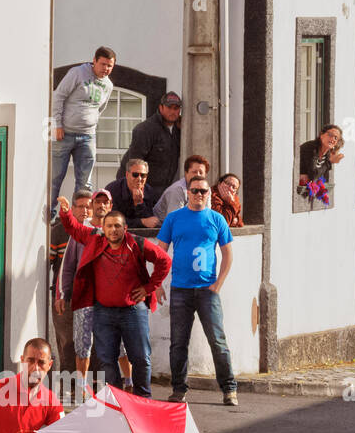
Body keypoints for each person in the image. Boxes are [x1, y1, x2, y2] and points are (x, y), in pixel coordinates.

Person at [56, 195, 171, 400]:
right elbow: (74, 228)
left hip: (133, 311)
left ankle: (143, 398)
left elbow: (164, 261)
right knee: (107, 359)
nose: (113, 230)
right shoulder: (95, 239)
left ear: (125, 228)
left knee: (141, 358)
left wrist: (148, 288)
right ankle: (117, 399)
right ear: (103, 228)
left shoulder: (137, 243)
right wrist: (65, 212)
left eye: (117, 226)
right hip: (104, 312)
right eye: (109, 226)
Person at [155, 174, 237, 406]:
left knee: (218, 341)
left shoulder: (216, 219)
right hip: (180, 289)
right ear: (187, 193)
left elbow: (228, 253)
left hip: (207, 290)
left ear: (208, 194)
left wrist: (218, 283)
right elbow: (160, 252)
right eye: (195, 191)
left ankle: (229, 389)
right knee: (178, 343)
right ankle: (179, 389)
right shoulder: (174, 219)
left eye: (203, 191)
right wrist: (158, 283)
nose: (199, 194)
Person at [49, 47, 116, 215]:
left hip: (87, 136)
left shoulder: (108, 85)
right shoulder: (78, 73)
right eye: (102, 64)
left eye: (110, 66)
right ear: (94, 61)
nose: (105, 69)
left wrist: (89, 123)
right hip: (64, 134)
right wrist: (57, 124)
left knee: (85, 182)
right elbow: (58, 96)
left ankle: (82, 218)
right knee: (55, 178)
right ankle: (49, 213)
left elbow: (100, 108)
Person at [49, 191, 88, 378]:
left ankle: (88, 385)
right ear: (72, 208)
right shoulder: (58, 232)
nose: (85, 211)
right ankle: (67, 384)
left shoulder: (97, 231)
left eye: (88, 206)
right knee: (67, 342)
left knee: (88, 345)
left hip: (89, 298)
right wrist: (58, 295)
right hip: (64, 297)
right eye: (80, 206)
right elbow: (49, 264)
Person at [116, 91, 182, 192]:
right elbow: (135, 162)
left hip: (164, 189)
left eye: (176, 108)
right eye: (169, 107)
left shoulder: (180, 129)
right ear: (161, 108)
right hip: (141, 187)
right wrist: (136, 189)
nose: (172, 111)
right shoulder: (145, 129)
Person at [104, 159, 161, 228]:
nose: (139, 178)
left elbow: (150, 221)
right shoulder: (112, 190)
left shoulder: (149, 191)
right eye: (135, 175)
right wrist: (141, 222)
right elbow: (113, 219)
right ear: (127, 175)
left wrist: (139, 204)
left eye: (143, 175)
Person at [153, 154, 209, 224]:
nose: (197, 175)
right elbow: (176, 220)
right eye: (194, 172)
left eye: (201, 172)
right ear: (186, 173)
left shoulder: (206, 189)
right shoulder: (177, 190)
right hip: (161, 229)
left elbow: (206, 215)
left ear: (205, 175)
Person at [298, 125, 343, 205]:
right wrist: (329, 162)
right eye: (330, 135)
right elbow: (313, 175)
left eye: (336, 138)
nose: (332, 139)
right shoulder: (311, 148)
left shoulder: (327, 154)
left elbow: (322, 178)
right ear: (321, 135)